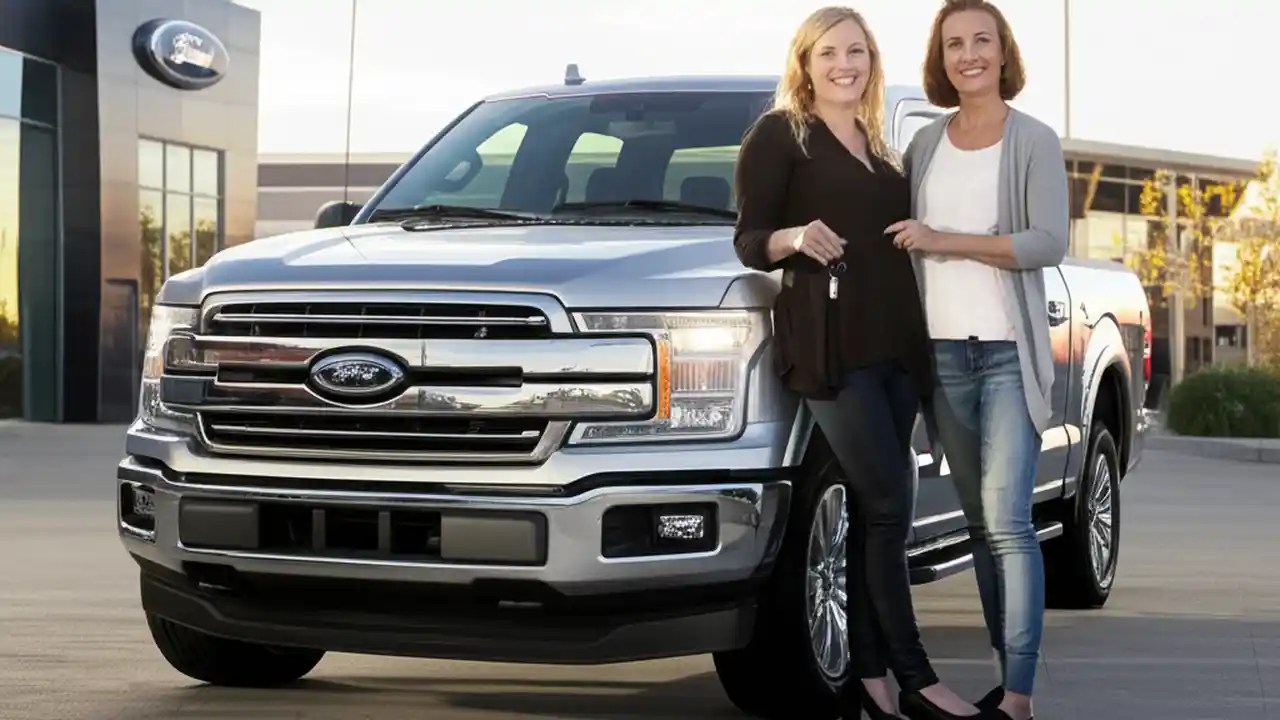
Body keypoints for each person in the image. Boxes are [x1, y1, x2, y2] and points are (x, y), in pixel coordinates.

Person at [734, 6, 984, 720]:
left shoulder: (881, 144)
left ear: (871, 60)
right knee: (886, 505)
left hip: (898, 352)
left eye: (858, 52)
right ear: (805, 65)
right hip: (833, 354)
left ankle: (872, 680)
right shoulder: (782, 135)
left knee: (879, 520)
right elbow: (748, 239)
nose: (846, 64)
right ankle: (917, 678)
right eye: (829, 54)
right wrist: (793, 236)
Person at [887, 2, 1070, 719]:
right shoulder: (926, 145)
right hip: (942, 358)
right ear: (941, 56)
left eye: (981, 41)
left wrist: (948, 240)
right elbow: (902, 238)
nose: (969, 54)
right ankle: (1008, 677)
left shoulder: (1032, 140)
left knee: (1008, 522)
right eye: (954, 43)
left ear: (1003, 53)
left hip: (1004, 354)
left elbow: (1045, 242)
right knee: (979, 523)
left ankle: (1018, 697)